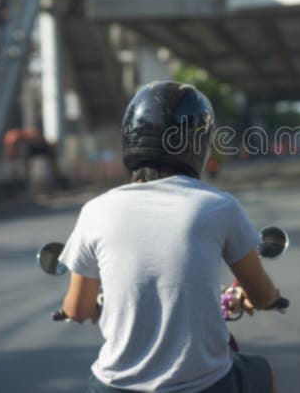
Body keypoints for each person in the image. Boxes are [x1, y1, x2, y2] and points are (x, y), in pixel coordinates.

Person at [58, 81, 285, 393]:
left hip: (115, 387)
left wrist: (82, 309)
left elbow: (77, 309)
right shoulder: (219, 206)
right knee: (263, 372)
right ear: (198, 145)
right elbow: (260, 294)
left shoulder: (96, 210)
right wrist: (271, 298)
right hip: (207, 385)